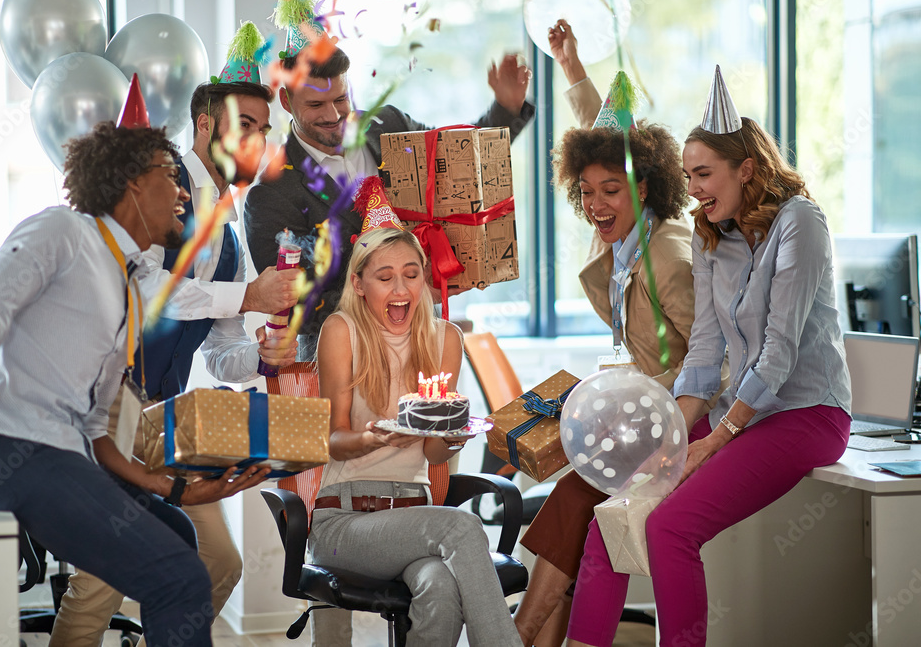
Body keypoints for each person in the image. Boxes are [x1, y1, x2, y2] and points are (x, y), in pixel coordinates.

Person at [0, 120, 273, 647]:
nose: (185, 192)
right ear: (134, 183)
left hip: (66, 451)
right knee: (179, 578)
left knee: (179, 534)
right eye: (172, 175)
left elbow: (97, 431)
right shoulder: (63, 230)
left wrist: (177, 489)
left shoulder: (131, 282)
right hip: (3, 444)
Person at [566, 70, 852, 647]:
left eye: (704, 174)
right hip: (735, 413)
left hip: (805, 414)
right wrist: (671, 432)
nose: (693, 188)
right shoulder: (708, 232)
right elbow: (704, 350)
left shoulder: (799, 222)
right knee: (613, 509)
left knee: (671, 527)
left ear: (745, 168)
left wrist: (714, 438)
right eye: (690, 176)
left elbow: (778, 352)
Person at [48, 77, 299, 645]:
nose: (257, 141)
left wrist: (261, 357)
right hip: (106, 407)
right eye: (245, 126)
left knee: (218, 562)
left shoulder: (231, 240)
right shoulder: (156, 187)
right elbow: (148, 287)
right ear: (205, 125)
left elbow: (219, 351)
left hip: (167, 419)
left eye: (264, 130)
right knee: (100, 582)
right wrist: (248, 296)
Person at [513, 68, 725, 647]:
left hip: (689, 420)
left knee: (577, 499)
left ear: (645, 189)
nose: (596, 203)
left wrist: (639, 394)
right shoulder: (621, 241)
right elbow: (600, 144)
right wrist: (575, 70)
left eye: (612, 190)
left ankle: (514, 635)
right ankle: (520, 636)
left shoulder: (668, 258)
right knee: (571, 501)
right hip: (646, 415)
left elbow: (716, 361)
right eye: (586, 191)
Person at [244, 45, 535, 360]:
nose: (332, 115)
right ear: (286, 101)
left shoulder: (388, 124)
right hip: (341, 359)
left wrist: (506, 107)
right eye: (315, 104)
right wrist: (408, 291)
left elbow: (456, 161)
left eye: (340, 99)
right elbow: (299, 305)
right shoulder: (270, 195)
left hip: (423, 343)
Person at [310, 226, 524, 647]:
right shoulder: (341, 330)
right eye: (384, 277)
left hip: (416, 518)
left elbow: (433, 452)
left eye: (411, 274)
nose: (401, 288)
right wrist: (371, 439)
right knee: (463, 527)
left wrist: (453, 436)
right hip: (345, 523)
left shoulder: (445, 338)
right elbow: (331, 440)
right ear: (359, 283)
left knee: (442, 590)